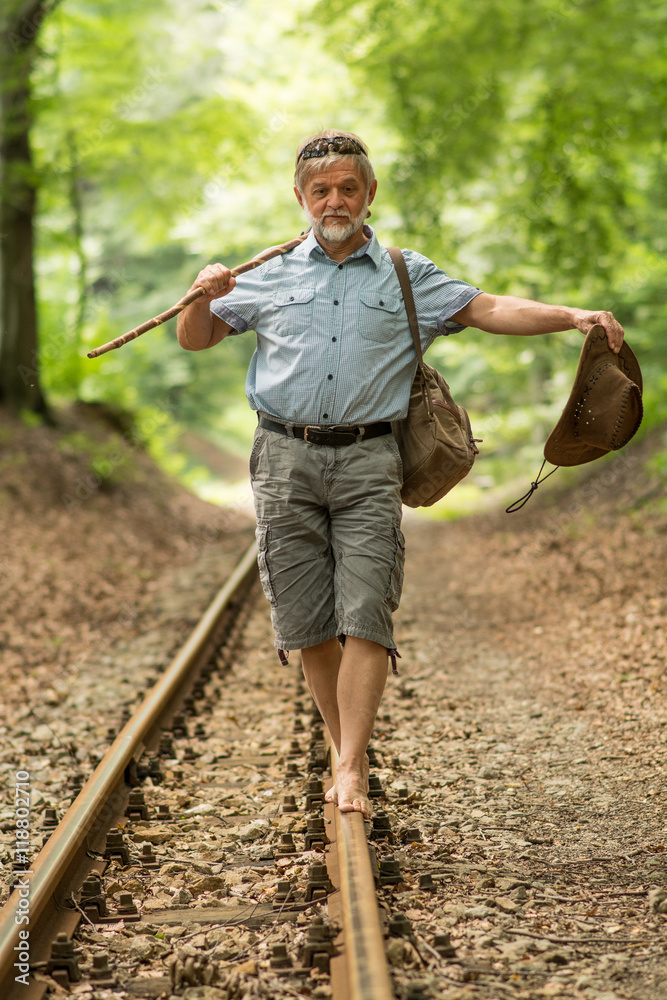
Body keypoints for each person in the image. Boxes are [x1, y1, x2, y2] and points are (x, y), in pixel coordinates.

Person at [177, 129, 624, 819]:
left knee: (365, 614)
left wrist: (571, 316)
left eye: (347, 188)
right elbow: (197, 337)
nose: (334, 200)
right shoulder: (263, 275)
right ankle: (343, 746)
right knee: (308, 626)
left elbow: (487, 307)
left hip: (369, 461)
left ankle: (350, 765)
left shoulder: (405, 271)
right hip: (282, 459)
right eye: (320, 190)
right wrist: (199, 295)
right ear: (299, 197)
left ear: (369, 193)